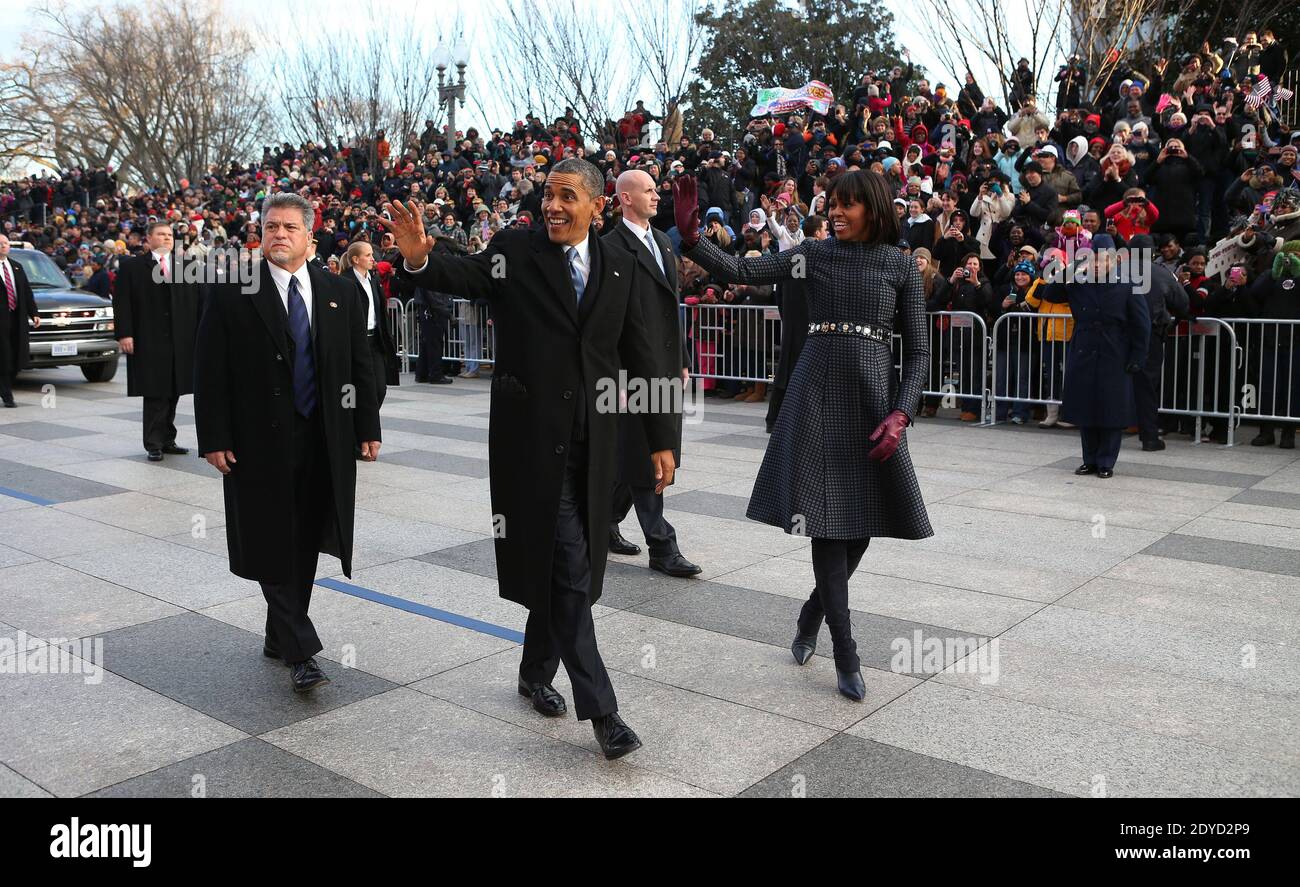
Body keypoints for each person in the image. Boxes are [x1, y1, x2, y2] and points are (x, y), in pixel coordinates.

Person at [379, 158, 678, 761]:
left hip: (595, 443)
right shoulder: (516, 251)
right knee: (569, 569)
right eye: (547, 195)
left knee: (576, 568)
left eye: (568, 196)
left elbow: (642, 352)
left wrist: (661, 436)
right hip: (532, 444)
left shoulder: (620, 264)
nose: (554, 206)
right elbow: (462, 274)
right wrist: (418, 259)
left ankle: (534, 669)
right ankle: (605, 713)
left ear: (600, 206)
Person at [673, 169, 933, 701]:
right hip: (815, 394)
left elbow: (922, 353)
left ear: (874, 207)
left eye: (846, 205)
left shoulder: (901, 265)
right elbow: (744, 268)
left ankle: (815, 609)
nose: (834, 213)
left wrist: (902, 413)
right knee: (826, 525)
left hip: (872, 402)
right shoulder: (812, 255)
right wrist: (692, 236)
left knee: (858, 528)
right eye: (831, 204)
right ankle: (846, 652)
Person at [194, 193, 382, 693]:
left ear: (310, 237)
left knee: (303, 539)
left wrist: (367, 427)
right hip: (255, 442)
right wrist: (213, 436)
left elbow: (360, 365)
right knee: (266, 536)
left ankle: (280, 633)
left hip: (324, 437)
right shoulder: (233, 292)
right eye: (271, 226)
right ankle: (301, 649)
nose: (278, 234)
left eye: (289, 228)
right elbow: (208, 370)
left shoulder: (339, 291)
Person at [604, 170, 701, 577]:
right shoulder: (609, 246)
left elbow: (671, 308)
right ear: (625, 198)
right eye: (648, 190)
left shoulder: (662, 242)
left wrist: (681, 358)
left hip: (663, 366)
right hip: (630, 370)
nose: (657, 195)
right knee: (649, 455)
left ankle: (605, 520)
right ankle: (662, 545)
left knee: (644, 450)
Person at [1053, 234, 1150, 478]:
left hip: (1114, 351)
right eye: (1093, 260)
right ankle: (1090, 459)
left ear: (1114, 261)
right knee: (1086, 408)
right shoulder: (1079, 282)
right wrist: (1073, 266)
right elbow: (1051, 293)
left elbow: (1142, 324)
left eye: (1102, 260)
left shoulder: (1128, 285)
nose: (1097, 265)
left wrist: (1138, 356)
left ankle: (1106, 461)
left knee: (1110, 409)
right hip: (1084, 348)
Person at [111, 221, 202, 460]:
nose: (167, 239)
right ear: (149, 239)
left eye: (170, 235)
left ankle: (168, 438)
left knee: (174, 390)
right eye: (161, 234)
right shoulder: (132, 267)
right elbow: (122, 302)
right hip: (149, 339)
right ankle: (153, 442)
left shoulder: (187, 266)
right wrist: (125, 333)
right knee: (155, 391)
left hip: (181, 339)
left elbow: (200, 301)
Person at [342, 240, 400, 415]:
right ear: (355, 259)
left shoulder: (373, 281)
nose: (372, 258)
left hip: (375, 340)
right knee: (354, 388)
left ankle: (367, 423)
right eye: (367, 255)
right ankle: (356, 427)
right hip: (354, 342)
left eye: (371, 254)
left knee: (379, 389)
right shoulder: (344, 281)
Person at [0, 235, 39, 407]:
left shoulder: (16, 267)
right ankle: (7, 394)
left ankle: (5, 387)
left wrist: (34, 313)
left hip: (17, 317)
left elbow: (26, 291)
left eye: (5, 243)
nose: (3, 246)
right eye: (0, 244)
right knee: (4, 356)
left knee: (17, 355)